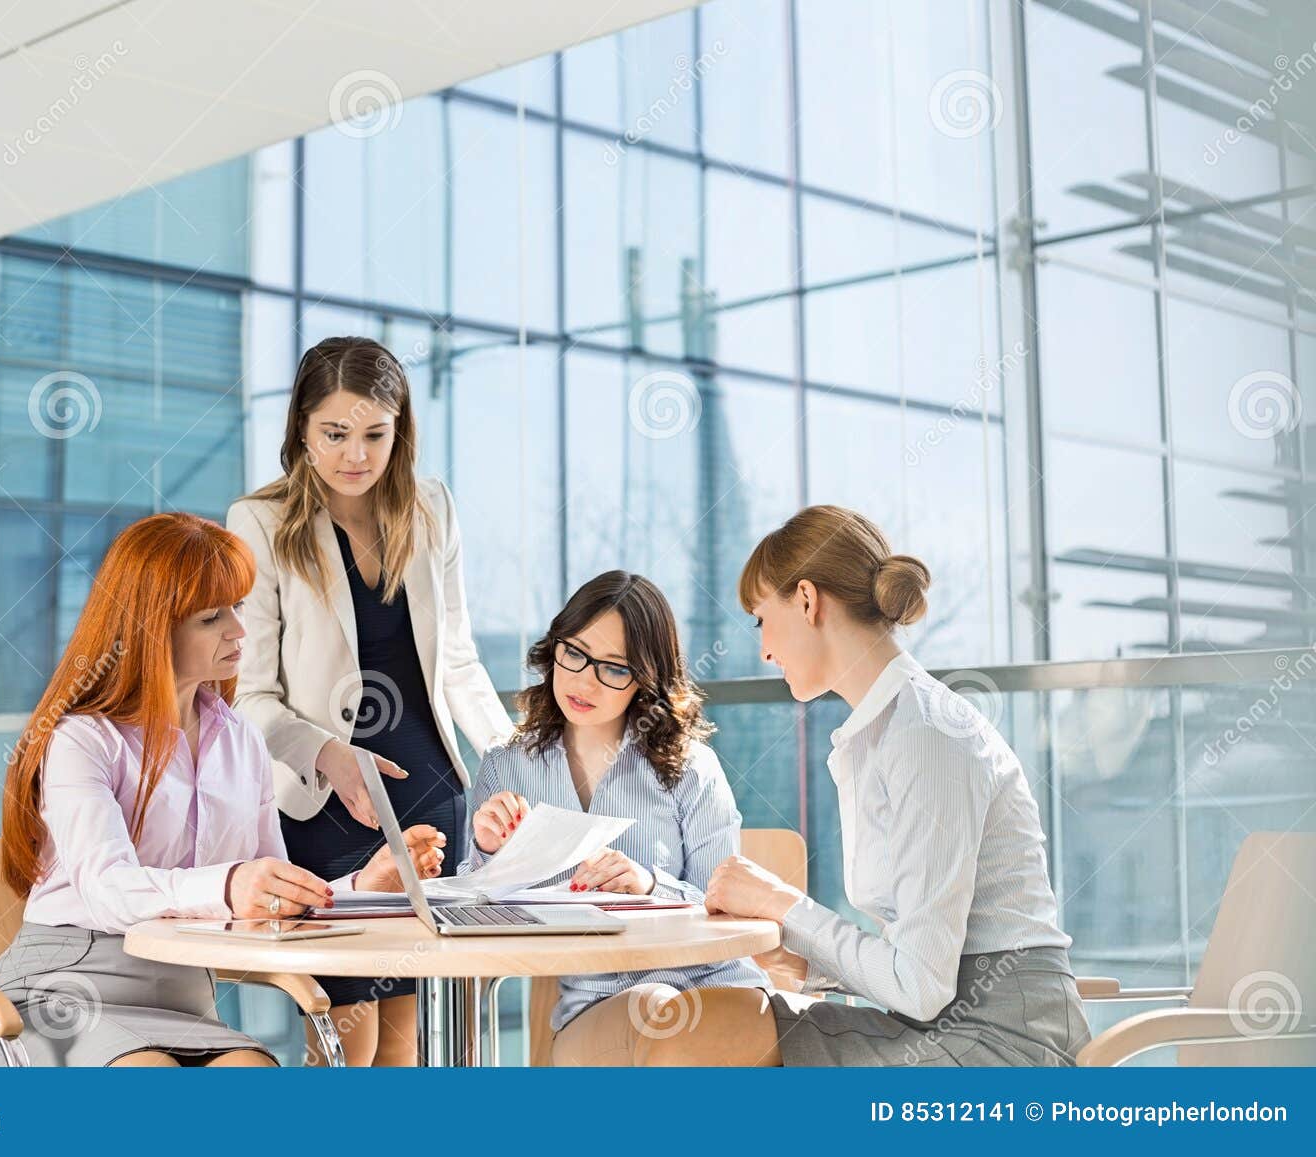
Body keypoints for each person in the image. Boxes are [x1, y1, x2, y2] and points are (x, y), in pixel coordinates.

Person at [0, 512, 442, 1068]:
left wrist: (366, 885)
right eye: (211, 617)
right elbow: (106, 889)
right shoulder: (82, 740)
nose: (239, 631)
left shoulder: (239, 737)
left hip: (182, 999)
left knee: (254, 1078)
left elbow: (267, 896)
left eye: (238, 608)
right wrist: (233, 883)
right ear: (151, 626)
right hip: (62, 993)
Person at [628, 505, 1091, 1067]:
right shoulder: (879, 733)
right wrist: (804, 958)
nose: (764, 649)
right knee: (691, 1031)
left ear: (806, 600)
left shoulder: (927, 734)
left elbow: (922, 984)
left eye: (760, 619)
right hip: (932, 1026)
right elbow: (916, 965)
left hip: (1007, 1044)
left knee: (694, 1050)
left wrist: (784, 905)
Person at [227, 336, 513, 1066]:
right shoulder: (258, 523)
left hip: (429, 795)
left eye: (375, 434)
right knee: (343, 1038)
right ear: (300, 430)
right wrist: (329, 753)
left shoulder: (431, 508)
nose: (356, 454)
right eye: (335, 434)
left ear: (400, 430)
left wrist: (515, 762)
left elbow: (457, 659)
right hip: (324, 806)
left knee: (408, 1038)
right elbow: (251, 697)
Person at [463, 570, 769, 1066]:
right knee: (658, 1016)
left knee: (705, 1034)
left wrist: (651, 885)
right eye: (576, 653)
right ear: (554, 648)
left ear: (646, 680)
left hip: (714, 984)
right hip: (600, 1005)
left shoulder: (691, 767)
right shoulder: (506, 765)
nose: (585, 680)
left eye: (614, 668)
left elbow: (729, 908)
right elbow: (470, 916)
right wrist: (488, 853)